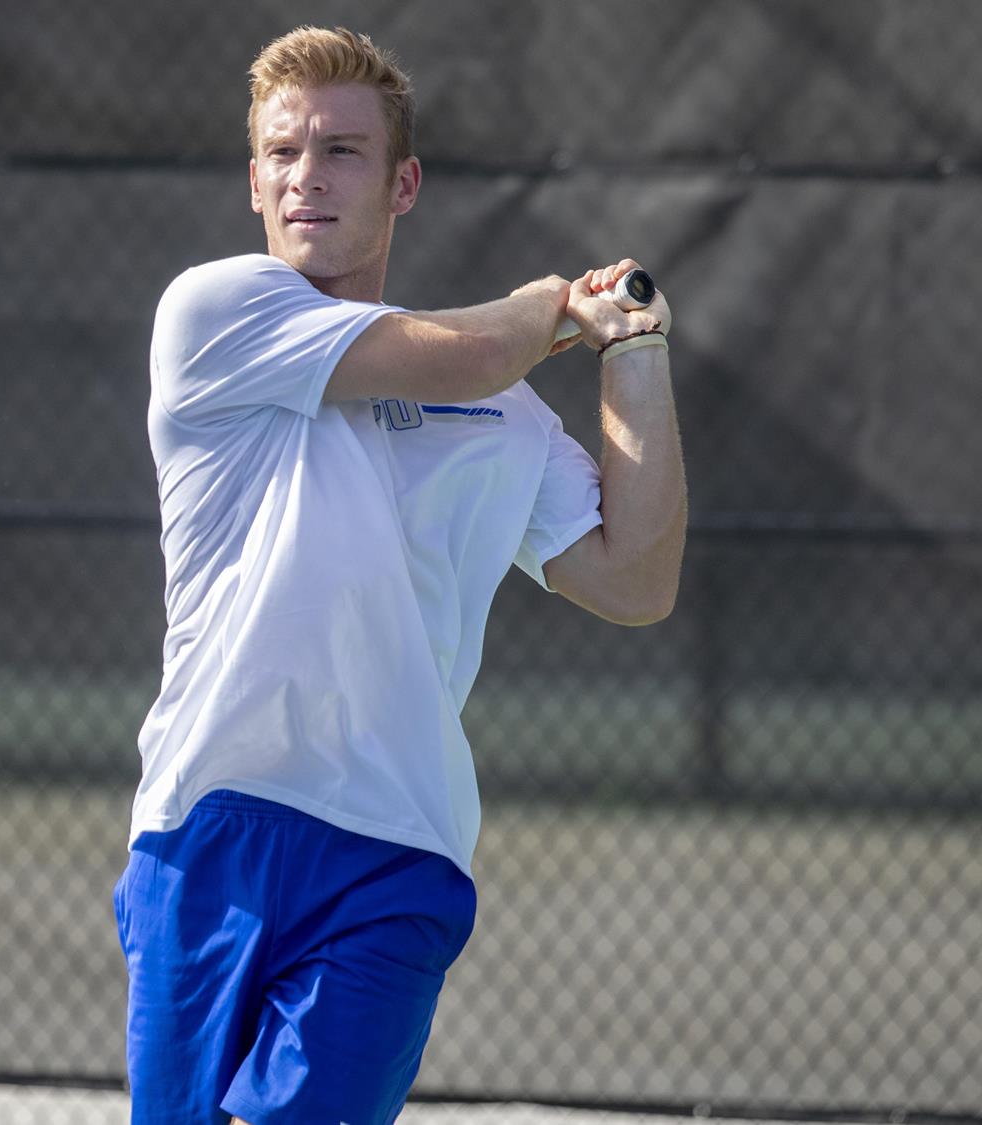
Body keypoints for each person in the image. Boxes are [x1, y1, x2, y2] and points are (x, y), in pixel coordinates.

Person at [114, 25, 686, 1125]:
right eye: (282, 152)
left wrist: (634, 350)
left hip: (397, 856)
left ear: (402, 184)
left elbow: (636, 580)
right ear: (251, 181)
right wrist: (555, 304)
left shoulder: (504, 411)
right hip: (205, 831)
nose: (306, 176)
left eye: (340, 151)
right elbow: (467, 352)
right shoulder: (213, 313)